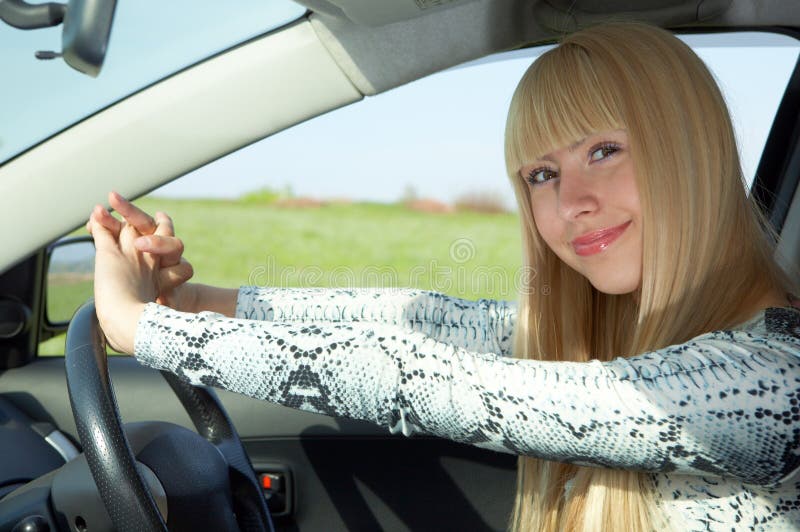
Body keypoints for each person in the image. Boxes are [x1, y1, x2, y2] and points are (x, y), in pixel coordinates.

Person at [88, 22, 800, 532]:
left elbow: (434, 383)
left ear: (692, 148)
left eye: (605, 150)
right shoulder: (633, 333)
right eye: (542, 174)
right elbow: (420, 321)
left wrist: (141, 327)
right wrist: (197, 303)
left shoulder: (772, 380)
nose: (572, 203)